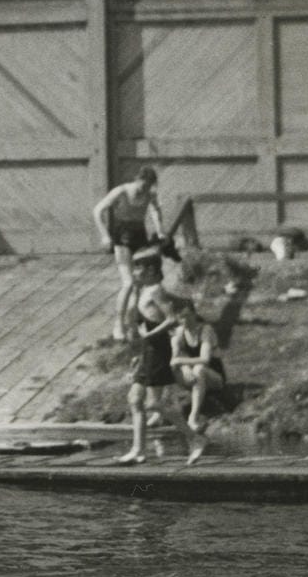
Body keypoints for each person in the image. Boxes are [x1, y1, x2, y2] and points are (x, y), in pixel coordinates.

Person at [115, 291, 199, 465]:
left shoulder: (154, 291)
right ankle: (138, 450)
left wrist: (148, 335)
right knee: (135, 399)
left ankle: (195, 438)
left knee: (152, 403)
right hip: (148, 352)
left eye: (139, 268)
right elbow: (139, 328)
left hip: (157, 352)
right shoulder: (139, 294)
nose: (136, 273)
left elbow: (171, 319)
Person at [92, 167, 163, 343]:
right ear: (137, 179)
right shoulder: (121, 191)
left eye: (148, 187)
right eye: (142, 186)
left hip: (140, 237)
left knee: (139, 283)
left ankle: (132, 325)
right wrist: (104, 235)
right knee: (128, 283)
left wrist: (160, 230)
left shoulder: (149, 194)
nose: (144, 190)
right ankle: (118, 325)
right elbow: (97, 210)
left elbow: (155, 210)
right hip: (122, 238)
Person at [167, 294, 226, 465]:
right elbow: (174, 359)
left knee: (199, 368)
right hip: (193, 378)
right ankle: (166, 410)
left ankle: (193, 417)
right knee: (170, 369)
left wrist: (182, 362)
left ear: (193, 313)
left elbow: (205, 359)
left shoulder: (205, 330)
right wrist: (184, 367)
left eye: (186, 315)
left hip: (214, 378)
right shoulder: (179, 332)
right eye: (180, 317)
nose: (184, 320)